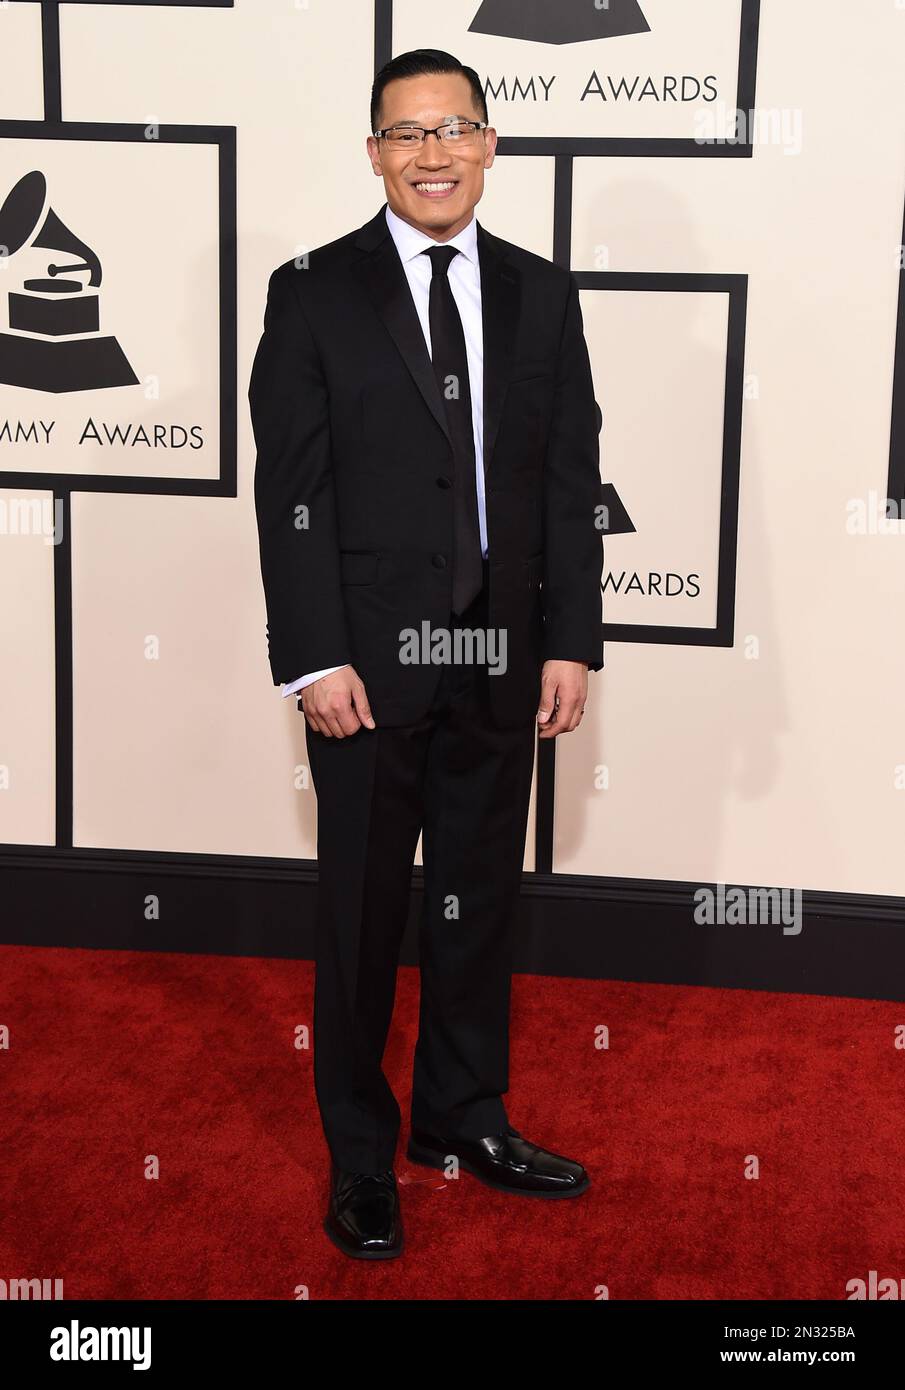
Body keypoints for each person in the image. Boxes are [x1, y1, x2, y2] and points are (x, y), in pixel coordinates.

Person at [250, 47, 603, 1261]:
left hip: (500, 656)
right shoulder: (309, 293)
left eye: (455, 127)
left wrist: (570, 642)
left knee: (474, 902)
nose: (434, 151)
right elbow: (289, 493)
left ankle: (462, 1119)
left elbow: (565, 488)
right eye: (407, 133)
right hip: (365, 667)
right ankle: (360, 1154)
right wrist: (312, 658)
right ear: (373, 155)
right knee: (359, 915)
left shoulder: (539, 295)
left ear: (491, 144)